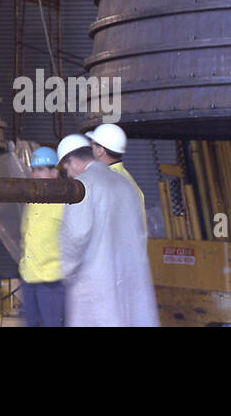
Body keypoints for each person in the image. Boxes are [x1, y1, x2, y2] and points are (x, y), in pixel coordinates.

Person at [57, 133, 158, 327]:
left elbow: (76, 236)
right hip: (128, 280)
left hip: (96, 286)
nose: (68, 173)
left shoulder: (82, 186)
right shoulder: (125, 183)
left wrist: (65, 270)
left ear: (71, 161)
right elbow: (140, 232)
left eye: (66, 167)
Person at [19, 146, 65, 327]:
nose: (35, 175)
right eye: (33, 170)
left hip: (52, 280)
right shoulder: (33, 199)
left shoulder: (66, 200)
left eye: (40, 170)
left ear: (55, 172)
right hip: (29, 276)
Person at [87, 122, 146, 222]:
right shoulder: (125, 177)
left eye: (92, 144)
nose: (90, 149)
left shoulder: (104, 180)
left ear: (100, 150)